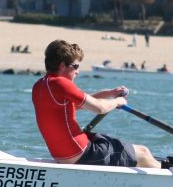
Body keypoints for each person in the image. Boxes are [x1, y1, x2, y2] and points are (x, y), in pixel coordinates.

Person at [32, 39, 159, 168]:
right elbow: (99, 108)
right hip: (81, 153)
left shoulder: (40, 86)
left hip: (62, 154)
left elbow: (76, 105)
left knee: (119, 146)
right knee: (143, 152)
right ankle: (167, 180)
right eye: (75, 66)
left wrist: (110, 93)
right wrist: (118, 101)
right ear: (62, 66)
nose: (78, 71)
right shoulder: (61, 83)